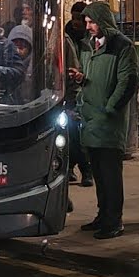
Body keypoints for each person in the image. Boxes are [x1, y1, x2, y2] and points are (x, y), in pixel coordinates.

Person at [70, 2, 138, 240]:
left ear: (103, 21)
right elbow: (91, 75)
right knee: (99, 171)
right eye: (86, 22)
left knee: (110, 174)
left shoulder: (123, 46)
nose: (88, 26)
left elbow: (127, 81)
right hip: (91, 117)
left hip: (108, 120)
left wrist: (110, 108)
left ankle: (113, 220)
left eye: (92, 22)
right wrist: (81, 78)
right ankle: (103, 215)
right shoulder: (88, 45)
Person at [64, 33, 93, 186]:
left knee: (74, 134)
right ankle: (69, 168)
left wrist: (72, 94)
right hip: (52, 94)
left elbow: (72, 68)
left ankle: (85, 169)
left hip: (67, 94)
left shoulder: (64, 39)